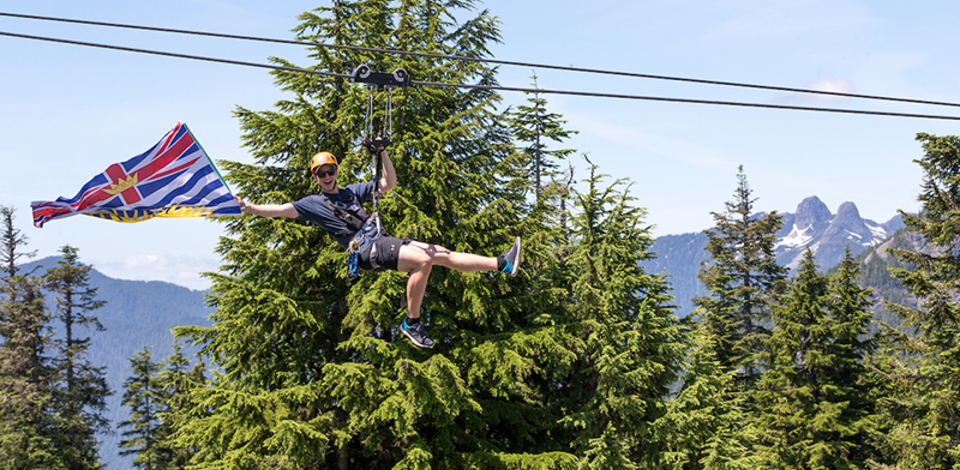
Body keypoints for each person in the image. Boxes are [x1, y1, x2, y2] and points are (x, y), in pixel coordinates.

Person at [233, 146, 521, 349]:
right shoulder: (313, 204)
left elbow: (389, 182)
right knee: (423, 261)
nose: (327, 177)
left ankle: (502, 264)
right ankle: (412, 323)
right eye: (321, 174)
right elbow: (280, 210)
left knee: (438, 253)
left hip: (380, 240)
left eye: (330, 170)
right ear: (315, 178)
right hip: (367, 251)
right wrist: (248, 207)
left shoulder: (352, 191)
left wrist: (382, 152)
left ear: (336, 170)